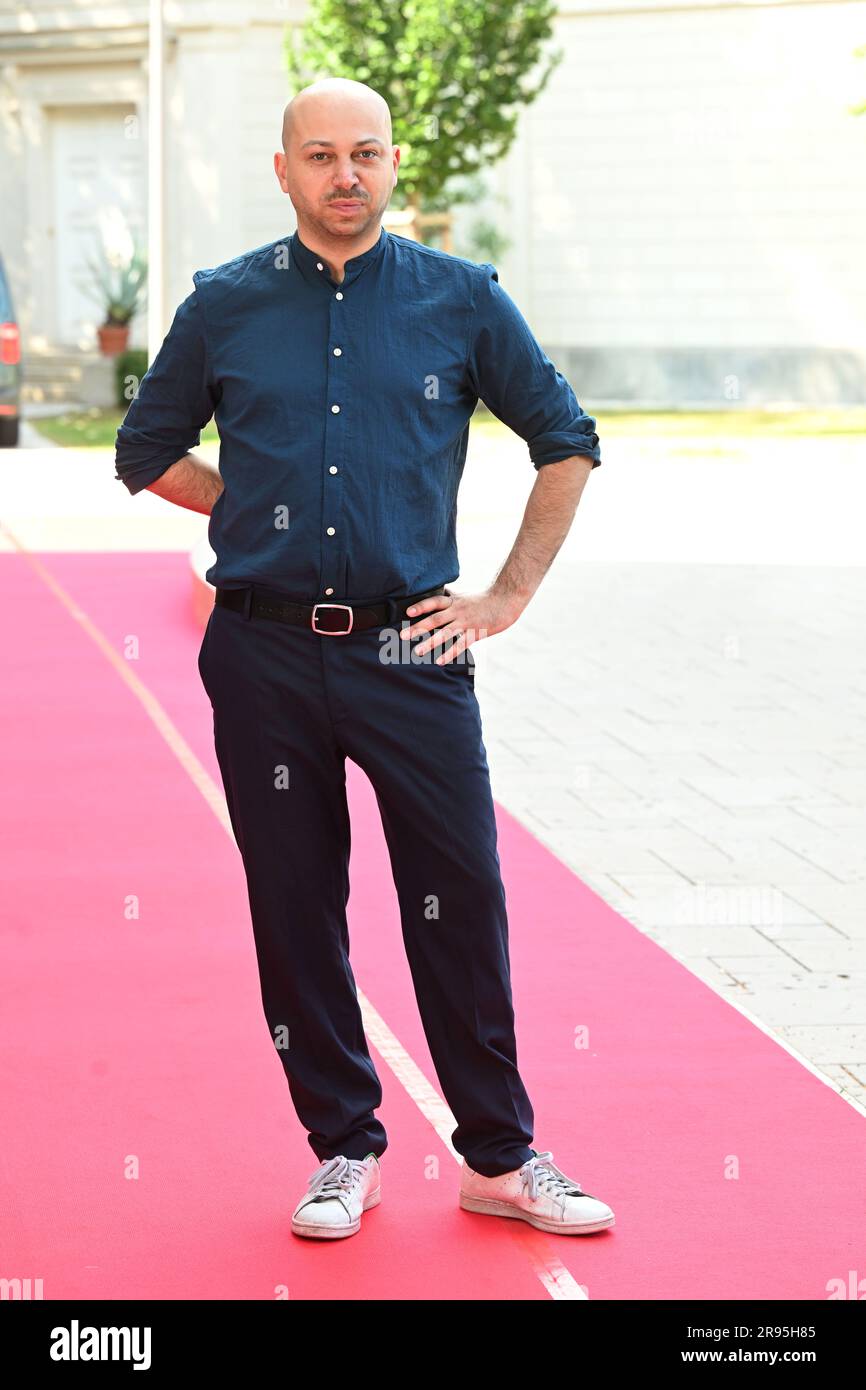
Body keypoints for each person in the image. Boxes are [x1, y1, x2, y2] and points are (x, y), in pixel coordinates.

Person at [114, 76, 615, 1242]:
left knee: (462, 897)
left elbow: (566, 441)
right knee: (294, 905)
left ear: (395, 166)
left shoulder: (462, 299)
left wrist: (504, 596)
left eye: (368, 153)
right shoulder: (224, 305)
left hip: (412, 651)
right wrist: (257, 510)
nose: (347, 174)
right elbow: (146, 449)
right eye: (322, 155)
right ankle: (343, 1145)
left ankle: (497, 1153)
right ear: (282, 170)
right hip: (261, 654)